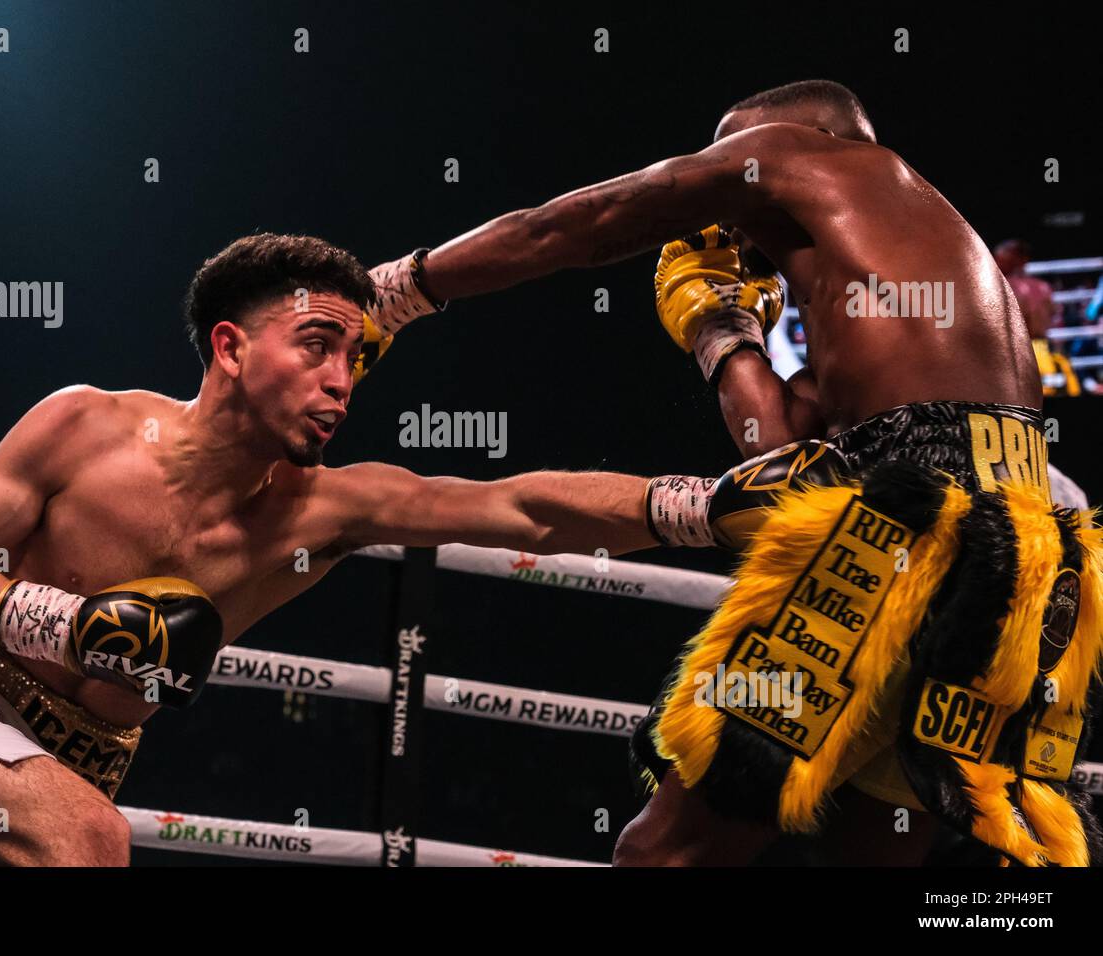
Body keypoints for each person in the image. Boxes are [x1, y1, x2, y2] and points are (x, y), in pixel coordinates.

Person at [366, 80, 1103, 866]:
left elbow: (583, 223)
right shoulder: (901, 281)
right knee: (871, 850)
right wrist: (720, 324)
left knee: (663, 853)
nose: (718, 184)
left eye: (724, 154)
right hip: (1023, 565)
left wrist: (403, 288)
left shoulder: (807, 155)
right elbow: (780, 457)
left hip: (910, 528)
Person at [0, 232, 686, 866]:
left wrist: (700, 506)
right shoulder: (86, 426)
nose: (343, 381)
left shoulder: (328, 508)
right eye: (317, 348)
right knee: (89, 841)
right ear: (230, 348)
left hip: (69, 761)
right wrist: (67, 623)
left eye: (353, 355)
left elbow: (523, 507)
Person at [995, 239, 1079, 397]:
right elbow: (1052, 314)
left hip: (1015, 353)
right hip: (1044, 350)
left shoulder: (1002, 287)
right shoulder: (1043, 287)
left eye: (998, 258)